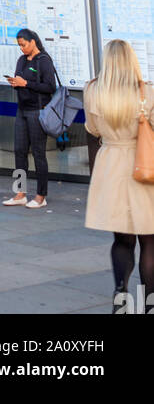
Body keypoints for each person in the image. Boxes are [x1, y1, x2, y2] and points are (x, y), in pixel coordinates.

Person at [84, 38, 154, 312]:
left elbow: (93, 130)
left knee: (122, 239)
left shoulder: (93, 91)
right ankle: (150, 303)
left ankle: (121, 296)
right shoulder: (146, 92)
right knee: (149, 239)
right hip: (143, 165)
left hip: (111, 163)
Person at [1, 27, 57, 209]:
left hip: (37, 110)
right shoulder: (22, 60)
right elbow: (20, 79)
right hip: (22, 109)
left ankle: (41, 195)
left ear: (33, 42)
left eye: (24, 45)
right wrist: (15, 83)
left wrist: (26, 84)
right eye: (19, 46)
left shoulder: (44, 61)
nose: (22, 48)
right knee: (19, 150)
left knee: (39, 153)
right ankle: (20, 193)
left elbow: (50, 87)